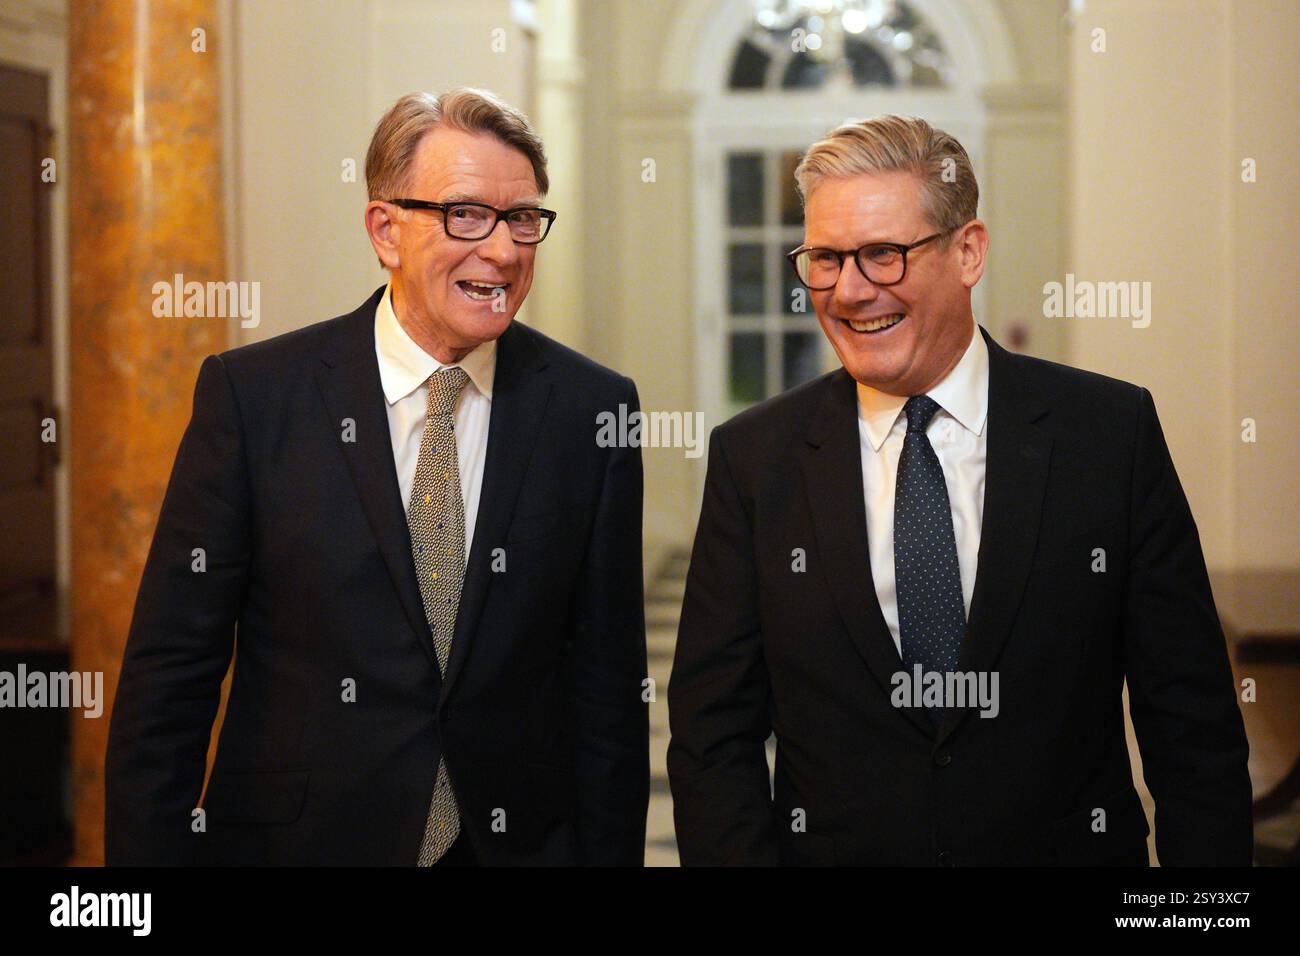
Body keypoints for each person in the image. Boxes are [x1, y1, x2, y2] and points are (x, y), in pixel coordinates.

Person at [667, 114, 1251, 866]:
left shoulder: (1108, 435)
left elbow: (1191, 724)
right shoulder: (755, 459)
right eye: (824, 259)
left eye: (882, 255)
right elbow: (713, 738)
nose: (849, 291)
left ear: (968, 251)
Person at [106, 88, 649, 866]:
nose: (501, 250)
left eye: (522, 218)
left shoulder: (593, 410)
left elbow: (607, 692)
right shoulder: (255, 398)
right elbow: (171, 671)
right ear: (385, 230)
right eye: (464, 214)